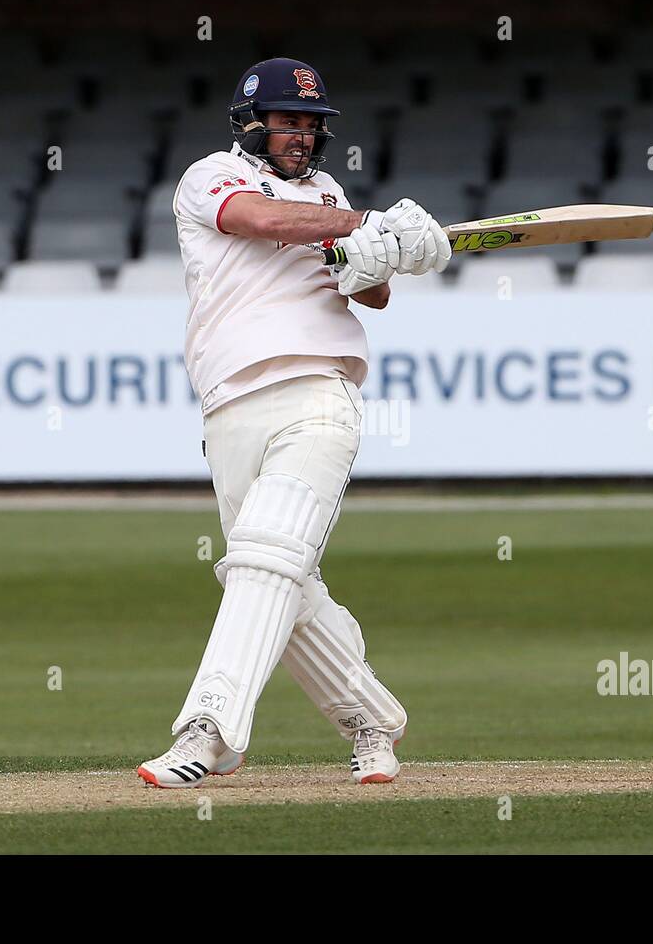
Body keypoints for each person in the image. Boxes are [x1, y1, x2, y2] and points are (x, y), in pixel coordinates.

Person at [136, 57, 451, 788]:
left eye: (312, 124)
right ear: (251, 123)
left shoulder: (328, 193)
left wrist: (392, 254)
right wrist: (363, 223)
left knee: (265, 559)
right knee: (286, 582)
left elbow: (368, 295)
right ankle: (373, 719)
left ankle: (208, 730)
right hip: (229, 407)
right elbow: (261, 220)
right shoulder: (211, 177)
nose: (303, 136)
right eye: (289, 121)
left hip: (318, 393)